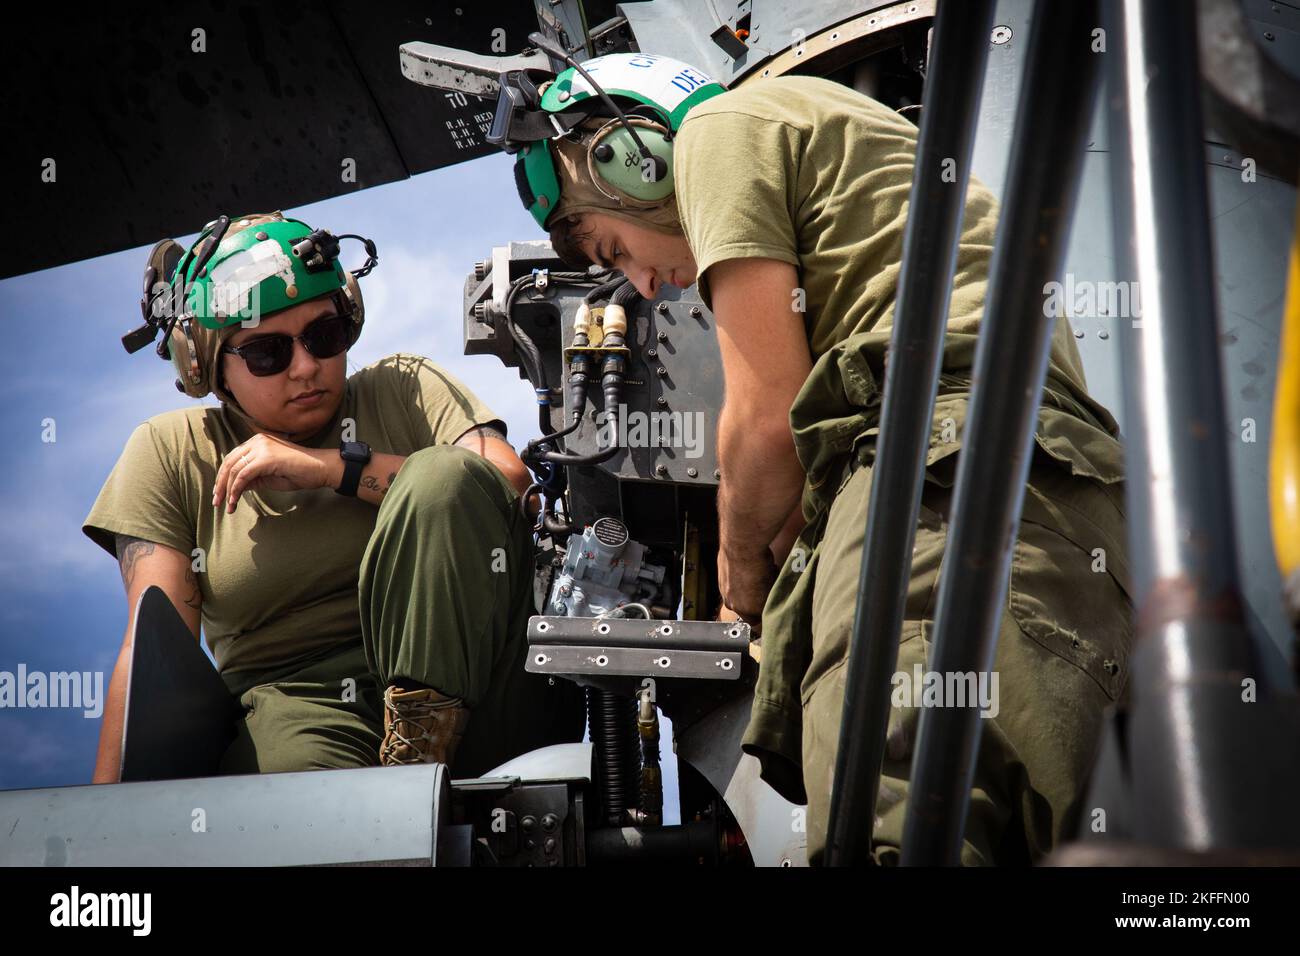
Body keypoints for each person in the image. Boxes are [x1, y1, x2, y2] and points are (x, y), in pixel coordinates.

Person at [496, 53, 1132, 864]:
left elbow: (764, 422)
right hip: (1059, 518)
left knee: (895, 827)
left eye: (613, 250)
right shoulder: (834, 146)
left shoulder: (719, 133)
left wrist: (739, 578)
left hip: (931, 490)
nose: (645, 286)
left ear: (633, 162)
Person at [84, 211, 583, 782]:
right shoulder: (173, 453)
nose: (306, 367)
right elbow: (153, 651)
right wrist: (101, 830)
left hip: (486, 688)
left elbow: (507, 485)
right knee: (294, 813)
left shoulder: (403, 388)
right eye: (268, 352)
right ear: (207, 366)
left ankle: (422, 741)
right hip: (303, 712)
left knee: (444, 476)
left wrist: (332, 469)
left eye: (324, 337)